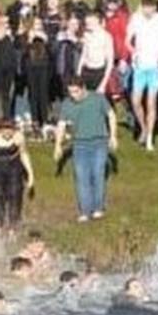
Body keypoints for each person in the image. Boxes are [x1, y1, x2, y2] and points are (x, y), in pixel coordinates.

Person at [54, 76, 117, 222]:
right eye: (70, 92)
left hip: (99, 143)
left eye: (76, 92)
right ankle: (84, 211)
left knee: (97, 174)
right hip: (79, 145)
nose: (73, 96)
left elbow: (111, 115)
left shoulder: (98, 99)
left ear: (83, 88)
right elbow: (61, 125)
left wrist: (113, 136)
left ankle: (98, 208)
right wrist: (58, 145)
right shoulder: (67, 104)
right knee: (82, 178)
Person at [127, 0, 158, 151]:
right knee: (135, 101)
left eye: (151, 7)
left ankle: (150, 137)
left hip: (155, 67)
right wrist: (133, 52)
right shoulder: (136, 19)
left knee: (151, 102)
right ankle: (144, 127)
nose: (148, 10)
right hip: (139, 66)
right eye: (145, 7)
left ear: (155, 8)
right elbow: (128, 40)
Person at [78, 11, 114, 94]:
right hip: (86, 72)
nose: (87, 25)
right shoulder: (86, 35)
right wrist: (78, 73)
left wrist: (103, 84)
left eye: (89, 23)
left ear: (97, 21)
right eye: (86, 23)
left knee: (98, 101)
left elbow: (110, 61)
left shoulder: (106, 37)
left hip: (99, 73)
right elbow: (83, 55)